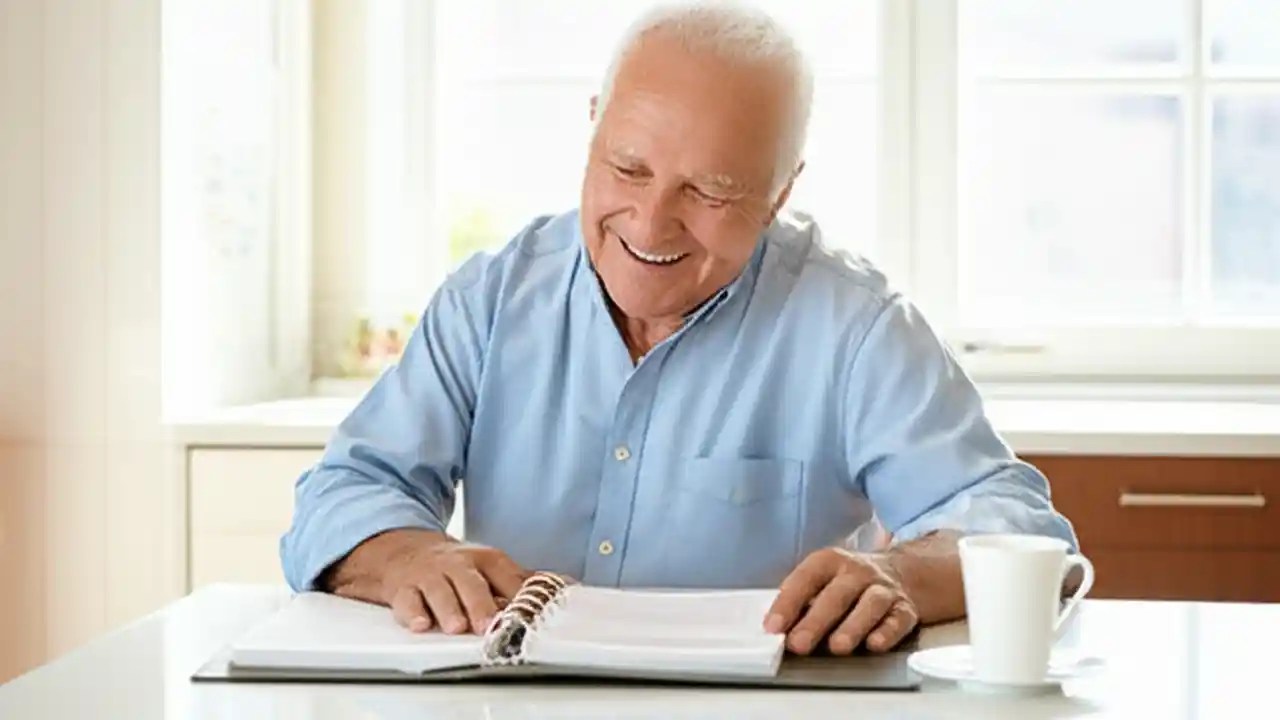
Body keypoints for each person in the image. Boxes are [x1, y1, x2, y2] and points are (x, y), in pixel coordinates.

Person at [280, 1, 1077, 658]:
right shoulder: (491, 299)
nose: (651, 221)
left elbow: (1015, 523)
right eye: (628, 168)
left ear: (778, 192)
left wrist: (902, 573)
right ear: (593, 128)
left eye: (710, 189)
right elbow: (343, 492)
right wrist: (405, 554)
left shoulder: (855, 326)